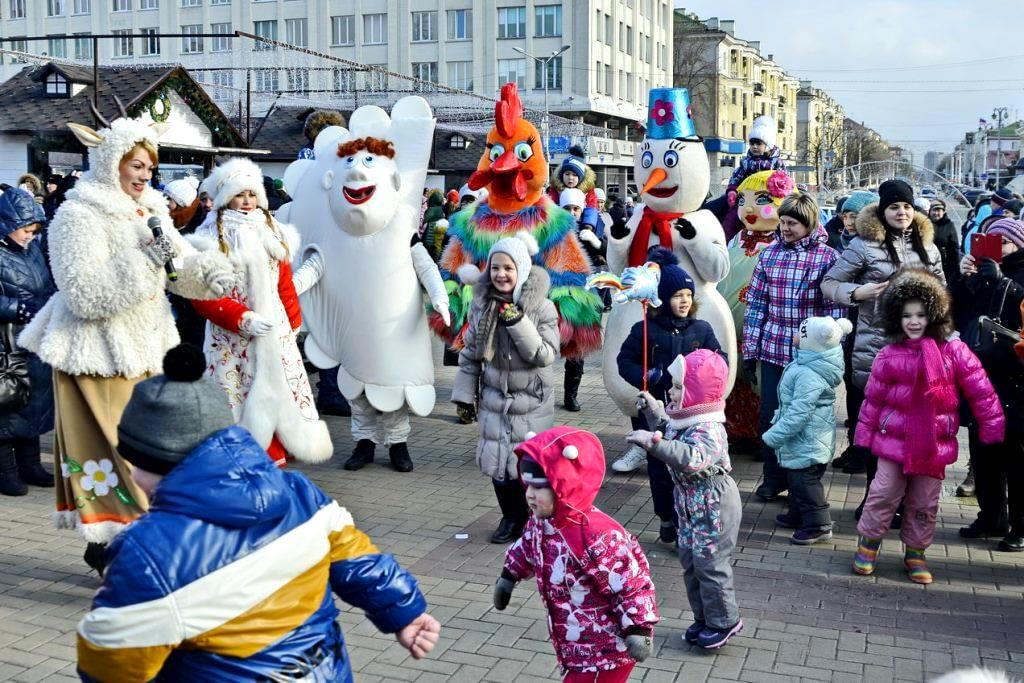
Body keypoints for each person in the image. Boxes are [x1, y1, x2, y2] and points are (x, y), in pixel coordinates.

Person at [76, 344, 440, 682]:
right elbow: (359, 562)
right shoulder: (299, 492)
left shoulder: (148, 551)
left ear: (156, 462)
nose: (132, 475)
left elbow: (113, 663)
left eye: (134, 462)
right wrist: (404, 614)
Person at [18, 114, 234, 574]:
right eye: (134, 163)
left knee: (148, 457)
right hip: (96, 356)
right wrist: (145, 261)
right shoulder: (77, 215)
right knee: (110, 460)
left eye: (149, 166)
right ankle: (119, 551)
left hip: (146, 352)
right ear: (109, 160)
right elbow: (84, 294)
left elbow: (177, 269)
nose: (143, 174)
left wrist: (208, 274)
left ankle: (122, 549)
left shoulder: (152, 211)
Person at [852, 270, 1004, 584]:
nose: (914, 321)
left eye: (921, 314)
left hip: (933, 444)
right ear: (896, 318)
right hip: (893, 442)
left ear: (934, 315)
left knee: (924, 501)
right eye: (906, 315)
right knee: (883, 493)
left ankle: (916, 551)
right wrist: (863, 434)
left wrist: (992, 425)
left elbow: (980, 388)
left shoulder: (954, 351)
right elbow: (873, 398)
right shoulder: (889, 354)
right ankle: (869, 542)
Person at [189, 157, 332, 469]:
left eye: (252, 194)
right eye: (240, 194)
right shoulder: (210, 236)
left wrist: (292, 322)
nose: (246, 201)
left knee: (278, 388)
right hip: (231, 336)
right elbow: (202, 294)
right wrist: (240, 318)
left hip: (274, 331)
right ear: (226, 197)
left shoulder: (271, 230)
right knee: (238, 392)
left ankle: (278, 447)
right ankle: (243, 455)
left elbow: (284, 282)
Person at [492, 426, 658, 681]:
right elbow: (527, 546)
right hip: (575, 642)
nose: (530, 496)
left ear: (564, 487)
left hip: (608, 648)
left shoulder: (595, 534)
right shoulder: (543, 523)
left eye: (539, 489)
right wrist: (509, 575)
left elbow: (631, 583)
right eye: (527, 487)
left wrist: (639, 628)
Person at [821, 179, 945, 495]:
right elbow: (830, 283)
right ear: (883, 210)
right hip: (875, 350)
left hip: (916, 352)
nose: (901, 212)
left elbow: (942, 291)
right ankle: (876, 499)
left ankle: (901, 502)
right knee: (879, 432)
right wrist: (855, 292)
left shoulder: (928, 248)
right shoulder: (863, 245)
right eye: (894, 207)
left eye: (906, 206)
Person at [628, 350, 743, 650]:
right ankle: (705, 618)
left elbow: (691, 458)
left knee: (710, 564)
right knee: (691, 561)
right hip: (692, 503)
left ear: (697, 394)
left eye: (679, 387)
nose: (671, 391)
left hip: (714, 503)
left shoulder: (709, 428)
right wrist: (654, 412)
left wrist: (654, 443)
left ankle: (723, 621)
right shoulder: (686, 420)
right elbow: (669, 428)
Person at [452, 233, 560, 544]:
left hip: (531, 401)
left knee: (525, 467)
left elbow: (543, 355)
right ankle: (509, 518)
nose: (501, 274)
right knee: (498, 466)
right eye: (496, 268)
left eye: (508, 268)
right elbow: (471, 354)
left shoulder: (543, 309)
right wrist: (463, 396)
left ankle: (531, 521)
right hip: (495, 398)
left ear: (522, 270)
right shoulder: (482, 306)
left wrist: (517, 322)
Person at [743, 191, 844, 501]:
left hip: (809, 357)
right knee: (771, 414)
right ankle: (773, 478)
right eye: (783, 222)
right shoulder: (769, 254)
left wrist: (828, 351)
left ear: (809, 224)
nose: (785, 229)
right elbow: (757, 304)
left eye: (793, 224)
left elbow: (835, 312)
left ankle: (802, 483)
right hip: (773, 349)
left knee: (804, 419)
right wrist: (751, 349)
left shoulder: (827, 257)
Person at [616, 248, 722, 544]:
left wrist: (701, 375)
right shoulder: (645, 329)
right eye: (677, 295)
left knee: (689, 466)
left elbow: (718, 359)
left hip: (691, 414)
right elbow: (625, 360)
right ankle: (667, 519)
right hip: (655, 409)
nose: (684, 300)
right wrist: (648, 377)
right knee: (660, 469)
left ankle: (689, 520)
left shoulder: (701, 328)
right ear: (662, 300)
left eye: (688, 294)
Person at [956, 217, 1024, 552]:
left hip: (1016, 378)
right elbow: (957, 314)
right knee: (984, 450)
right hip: (980, 375)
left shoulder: (1017, 274)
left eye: (1003, 242)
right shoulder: (980, 271)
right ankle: (991, 515)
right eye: (989, 241)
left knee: (1017, 455)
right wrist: (965, 280)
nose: (996, 249)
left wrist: (1004, 284)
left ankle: (1020, 525)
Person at [763, 316, 852, 544]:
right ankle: (798, 513)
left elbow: (799, 413)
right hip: (807, 439)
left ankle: (819, 524)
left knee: (805, 482)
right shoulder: (808, 363)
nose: (794, 336)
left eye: (800, 334)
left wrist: (775, 434)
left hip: (809, 439)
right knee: (795, 477)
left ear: (813, 343)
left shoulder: (809, 374)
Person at [0, 188, 56, 496]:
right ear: (8, 224)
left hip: (33, 338)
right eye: (25, 230)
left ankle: (30, 464)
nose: (30, 237)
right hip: (5, 342)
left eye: (34, 231)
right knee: (8, 406)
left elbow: (45, 283)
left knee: (34, 403)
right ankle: (5, 471)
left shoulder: (32, 250)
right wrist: (14, 308)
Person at [827, 191, 877, 473]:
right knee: (852, 389)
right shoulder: (841, 243)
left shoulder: (872, 247)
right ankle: (855, 445)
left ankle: (864, 451)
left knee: (866, 391)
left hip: (868, 329)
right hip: (847, 327)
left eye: (855, 215)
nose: (848, 221)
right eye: (845, 214)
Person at [559, 186, 604, 412]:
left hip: (583, 297)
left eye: (576, 208)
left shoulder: (589, 230)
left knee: (577, 349)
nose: (572, 212)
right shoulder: (554, 233)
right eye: (567, 208)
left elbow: (605, 257)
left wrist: (596, 242)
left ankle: (571, 395)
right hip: (556, 296)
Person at [546, 146, 600, 231]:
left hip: (581, 226)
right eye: (567, 174)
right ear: (561, 175)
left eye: (575, 175)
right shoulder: (555, 189)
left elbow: (591, 208)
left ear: (581, 177)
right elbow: (551, 207)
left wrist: (588, 226)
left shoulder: (587, 190)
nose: (570, 178)